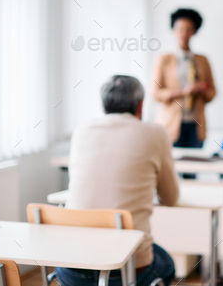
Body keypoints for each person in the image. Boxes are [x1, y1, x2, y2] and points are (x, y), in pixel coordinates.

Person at [56, 75, 178, 286]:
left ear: (104, 106)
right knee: (167, 264)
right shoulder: (156, 133)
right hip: (127, 270)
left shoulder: (82, 130)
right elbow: (170, 198)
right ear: (140, 105)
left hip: (72, 269)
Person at [152, 8, 216, 148]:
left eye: (189, 29)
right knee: (170, 168)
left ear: (194, 32)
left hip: (196, 126)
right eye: (180, 29)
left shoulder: (203, 60)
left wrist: (201, 89)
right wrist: (184, 91)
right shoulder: (164, 60)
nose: (184, 33)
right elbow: (155, 94)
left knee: (192, 168)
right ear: (174, 30)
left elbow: (212, 93)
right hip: (170, 126)